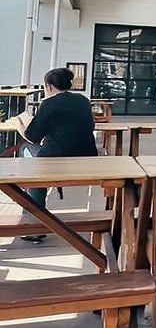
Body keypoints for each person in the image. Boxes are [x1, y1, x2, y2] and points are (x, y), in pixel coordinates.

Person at [10, 67, 97, 243]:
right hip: (87, 158)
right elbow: (89, 127)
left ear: (48, 86)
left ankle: (34, 224)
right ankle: (34, 219)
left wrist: (18, 124)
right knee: (37, 161)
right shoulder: (83, 101)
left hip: (57, 161)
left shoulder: (48, 104)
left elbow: (32, 137)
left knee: (27, 153)